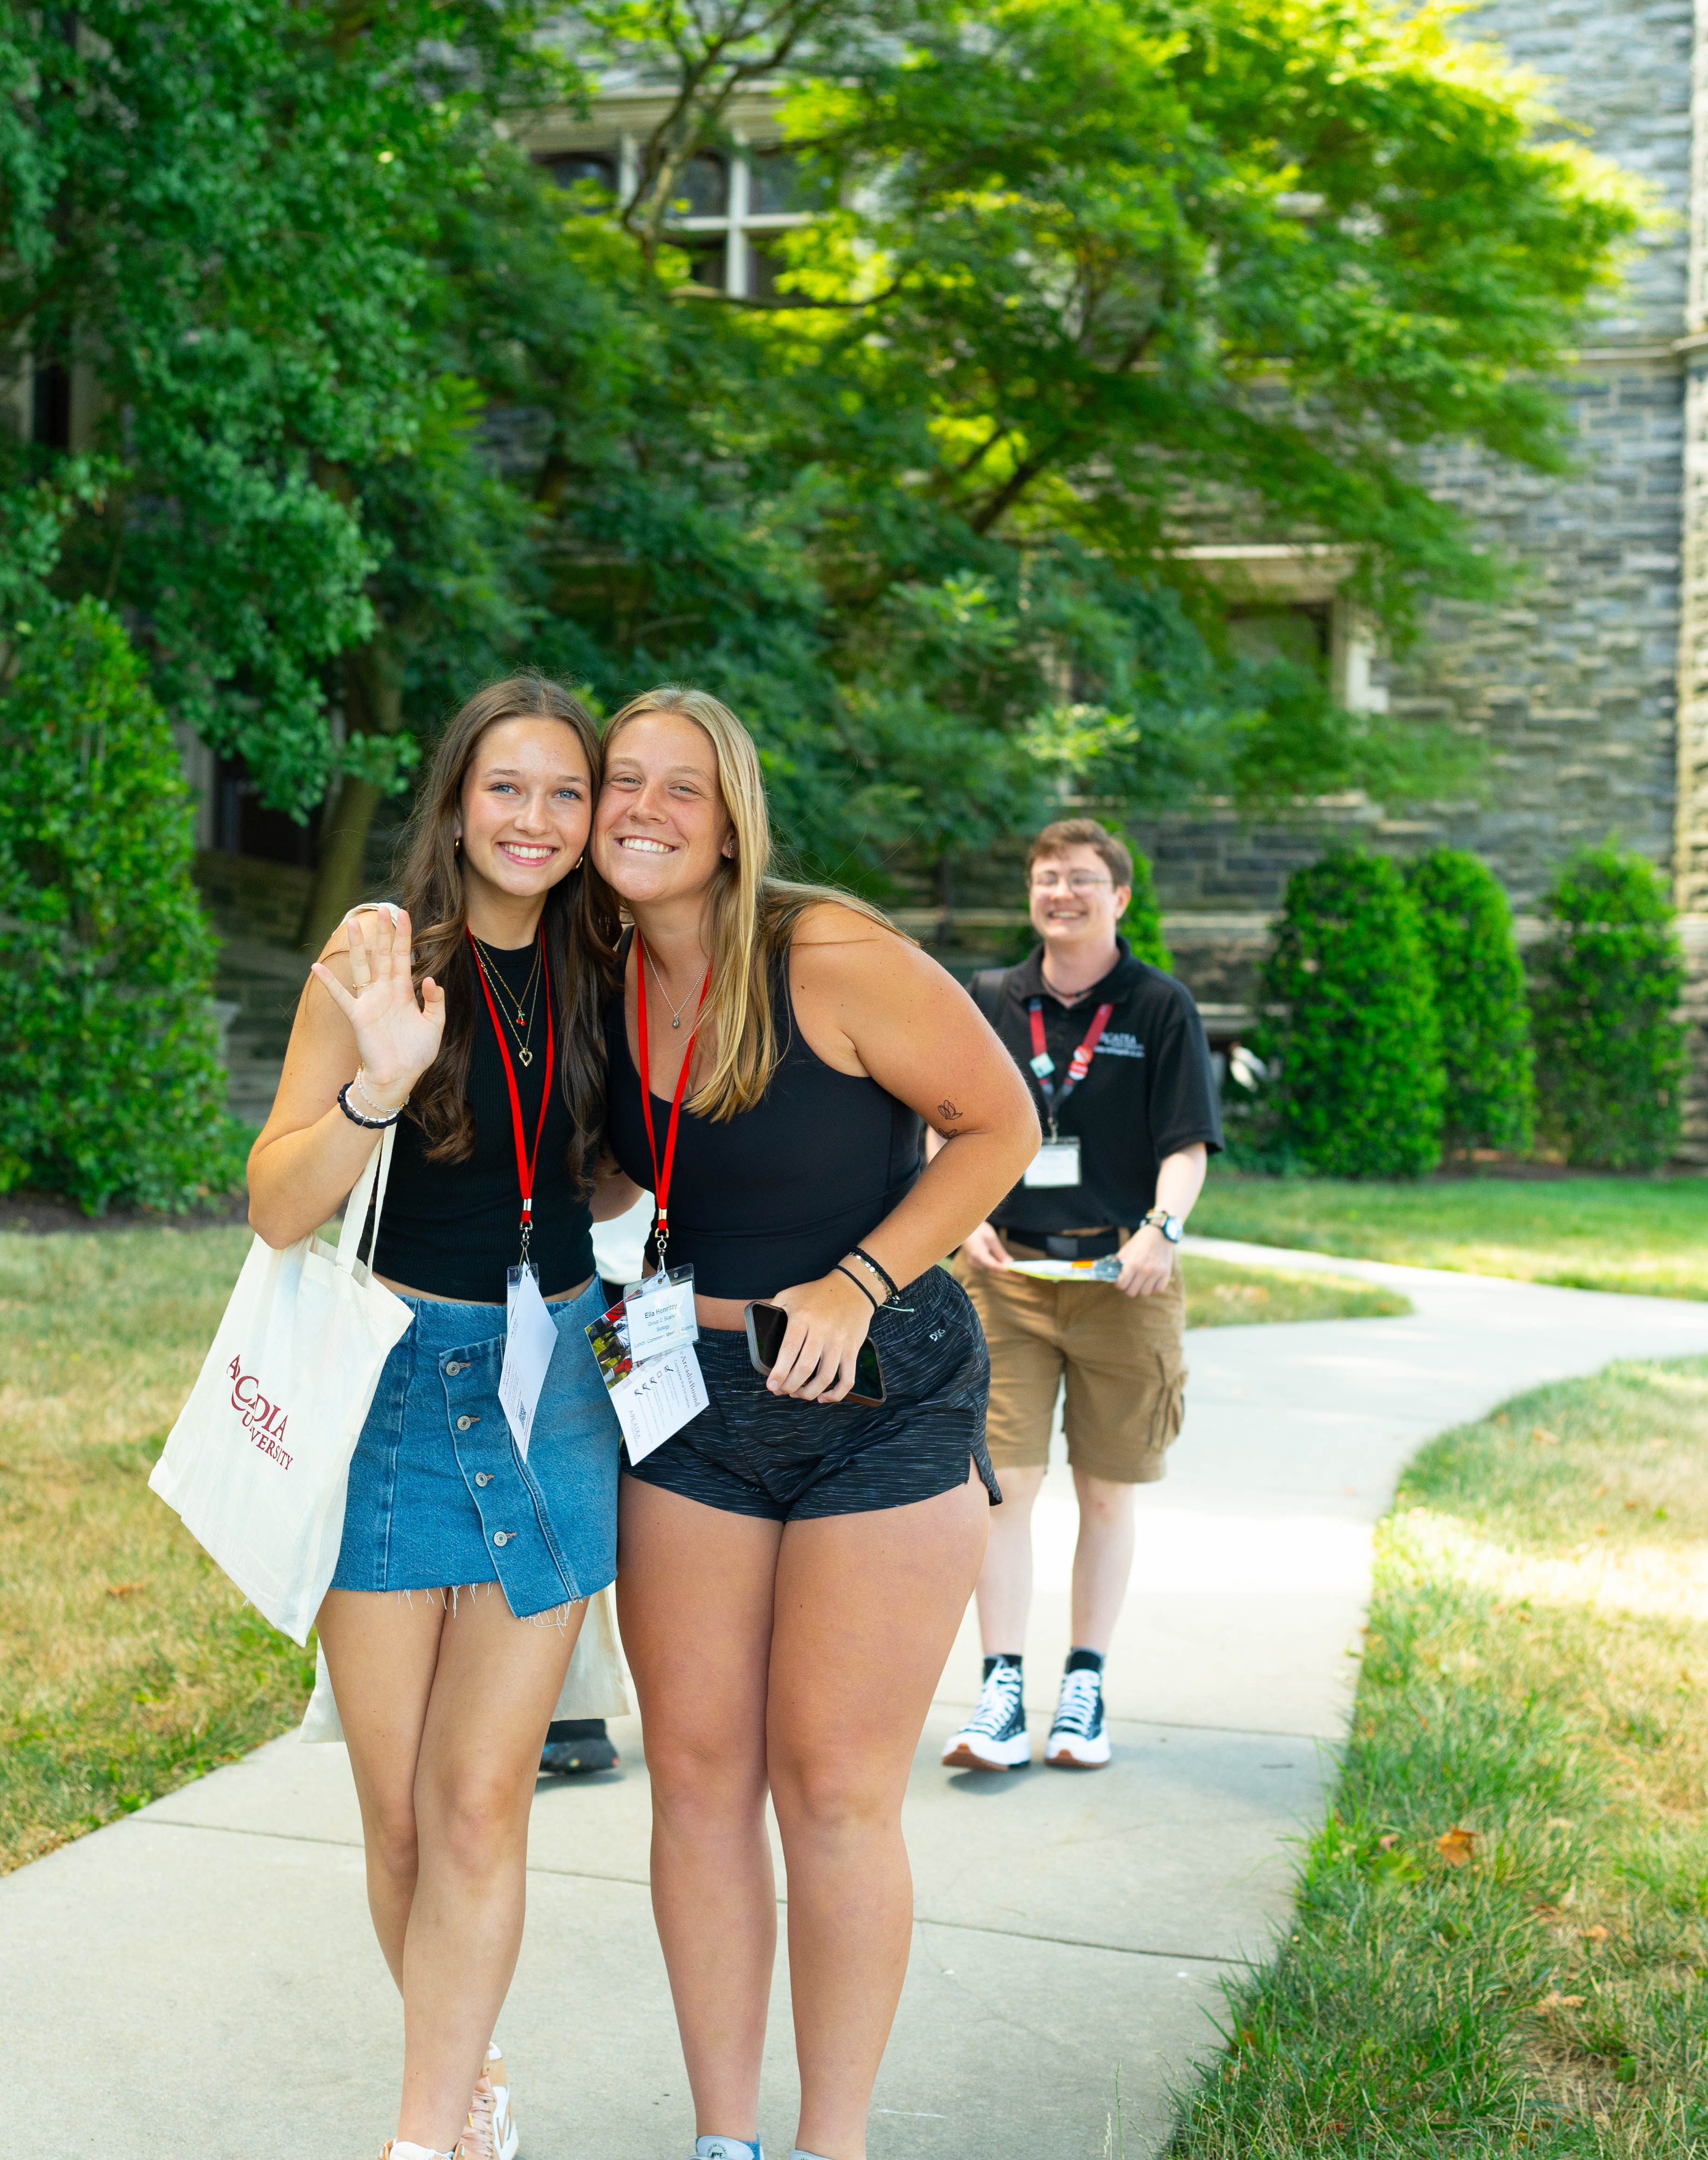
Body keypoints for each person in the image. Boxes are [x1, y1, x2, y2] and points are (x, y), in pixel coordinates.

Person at [590, 687, 1038, 2160]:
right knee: (701, 1777)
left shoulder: (823, 953)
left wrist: (856, 1280)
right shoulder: (597, 975)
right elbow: (624, 1175)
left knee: (835, 1790)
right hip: (695, 1399)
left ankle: (831, 2142)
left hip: (883, 1391)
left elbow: (1003, 1125)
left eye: (683, 789)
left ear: (731, 827)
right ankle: (728, 2139)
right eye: (622, 781)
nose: (645, 809)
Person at [243, 676, 624, 2160]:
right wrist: (380, 1094)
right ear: (458, 801)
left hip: (557, 1396)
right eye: (507, 789)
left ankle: (422, 2139)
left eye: (566, 793)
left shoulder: (615, 973)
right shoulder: (379, 962)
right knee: (398, 1817)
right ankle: (468, 2084)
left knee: (479, 1807)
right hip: (394, 1397)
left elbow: (602, 1170)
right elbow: (278, 1205)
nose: (536, 821)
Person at [941, 818, 1219, 1775]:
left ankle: (1085, 1688)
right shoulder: (986, 998)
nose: (1063, 893)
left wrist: (1162, 1230)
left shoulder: (1160, 1006)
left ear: (1121, 897)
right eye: (1048, 878)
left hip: (1121, 1280)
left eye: (1084, 880)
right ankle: (1001, 1690)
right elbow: (948, 1120)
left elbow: (1187, 1142)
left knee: (1107, 1491)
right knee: (1001, 1489)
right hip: (1008, 1277)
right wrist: (957, 1213)